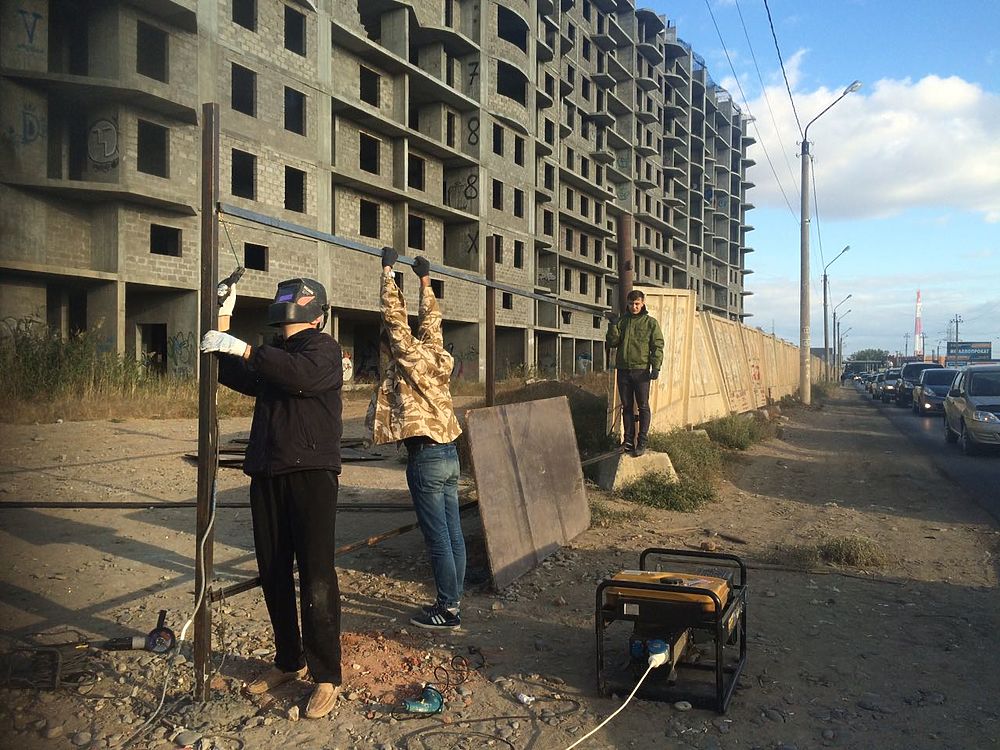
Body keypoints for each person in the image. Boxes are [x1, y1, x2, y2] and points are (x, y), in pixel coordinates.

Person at [200, 278, 344, 719]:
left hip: (311, 475)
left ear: (316, 315)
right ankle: (289, 659)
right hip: (267, 473)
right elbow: (231, 371)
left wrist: (244, 348)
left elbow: (295, 375)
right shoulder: (273, 357)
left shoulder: (323, 350)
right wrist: (223, 315)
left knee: (316, 574)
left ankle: (326, 676)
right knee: (273, 572)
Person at [366, 247, 465, 631]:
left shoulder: (407, 354)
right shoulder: (435, 352)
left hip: (425, 455)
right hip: (449, 451)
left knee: (438, 536)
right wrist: (425, 281)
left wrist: (388, 272)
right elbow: (432, 322)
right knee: (453, 531)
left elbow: (395, 321)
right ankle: (454, 600)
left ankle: (448, 609)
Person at [605, 289, 664, 457]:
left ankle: (642, 441)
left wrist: (656, 367)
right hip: (623, 370)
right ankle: (628, 441)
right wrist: (613, 325)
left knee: (643, 406)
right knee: (627, 407)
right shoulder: (622, 322)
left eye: (637, 303)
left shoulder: (650, 323)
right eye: (631, 304)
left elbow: (657, 346)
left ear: (643, 303)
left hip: (641, 371)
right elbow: (613, 342)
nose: (634, 307)